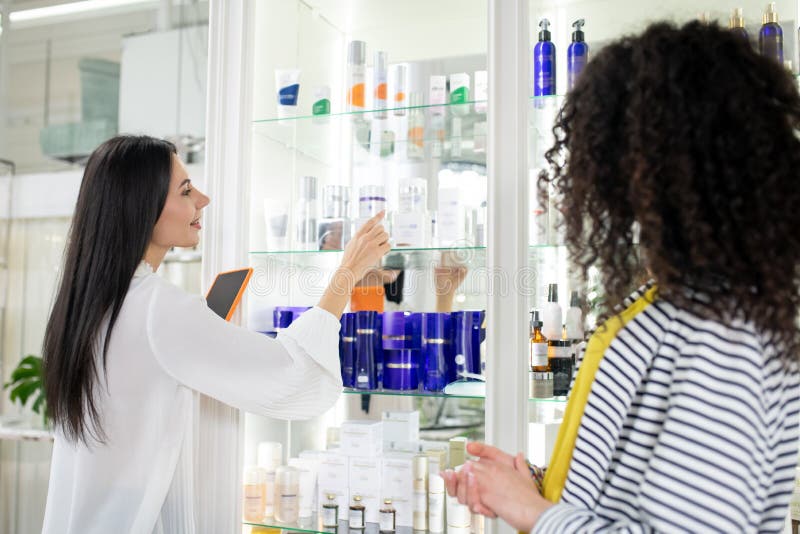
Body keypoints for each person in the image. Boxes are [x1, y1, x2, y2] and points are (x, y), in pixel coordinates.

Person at [442, 21, 800, 533]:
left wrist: (532, 511)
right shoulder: (668, 301)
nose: (591, 176)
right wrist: (534, 487)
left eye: (606, 149)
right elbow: (631, 491)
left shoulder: (727, 336)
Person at [40, 135, 390, 533]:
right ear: (141, 206)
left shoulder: (86, 304)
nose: (202, 200)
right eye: (186, 190)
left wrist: (207, 331)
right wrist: (347, 274)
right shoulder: (160, 308)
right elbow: (296, 376)